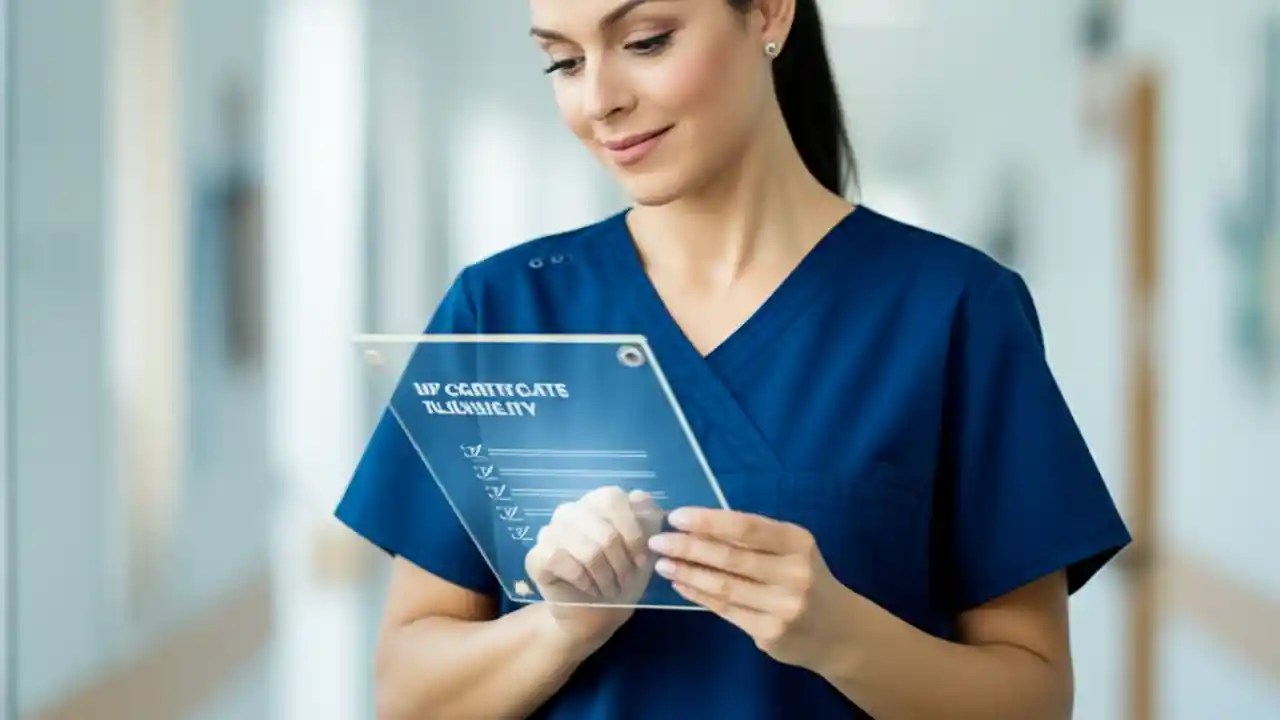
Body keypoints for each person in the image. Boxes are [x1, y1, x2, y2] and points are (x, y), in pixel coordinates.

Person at [335, 0, 1132, 717]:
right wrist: (561, 629)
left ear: (770, 15)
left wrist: (839, 635)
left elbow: (1032, 696)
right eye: (565, 61)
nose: (598, 100)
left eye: (645, 40)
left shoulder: (955, 309)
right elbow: (408, 693)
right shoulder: (502, 313)